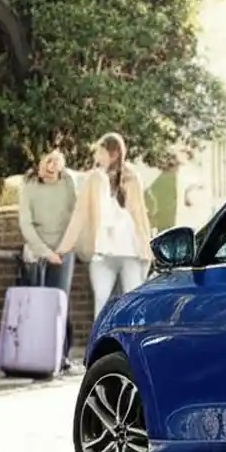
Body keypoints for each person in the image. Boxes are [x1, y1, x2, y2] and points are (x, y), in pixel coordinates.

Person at [56, 132, 154, 319]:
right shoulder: (94, 179)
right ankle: (101, 338)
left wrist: (148, 247)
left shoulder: (132, 177)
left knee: (133, 303)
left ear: (113, 154)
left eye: (100, 152)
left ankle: (131, 338)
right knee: (101, 303)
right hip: (102, 252)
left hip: (131, 252)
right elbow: (79, 215)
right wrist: (64, 247)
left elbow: (141, 215)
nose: (96, 156)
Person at [18, 149, 79, 373]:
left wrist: (62, 249)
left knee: (60, 303)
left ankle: (61, 357)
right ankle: (37, 356)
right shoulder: (29, 186)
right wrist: (44, 252)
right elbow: (25, 223)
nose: (50, 167)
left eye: (55, 162)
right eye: (46, 162)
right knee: (38, 305)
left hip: (63, 249)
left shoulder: (68, 183)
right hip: (38, 252)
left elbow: (77, 214)